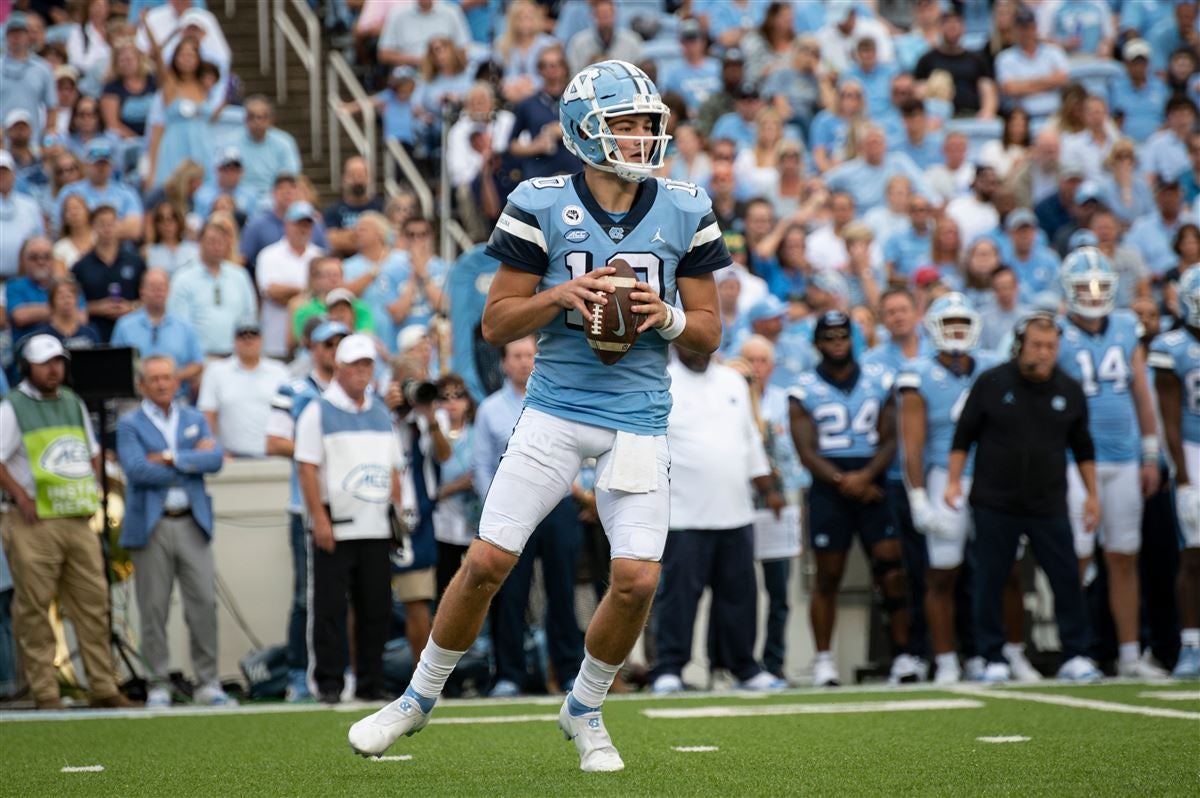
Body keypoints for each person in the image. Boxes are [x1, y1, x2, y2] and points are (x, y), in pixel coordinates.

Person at [347, 60, 726, 772]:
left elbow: (708, 335)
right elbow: (494, 325)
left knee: (638, 579)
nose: (644, 137)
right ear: (588, 131)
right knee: (488, 559)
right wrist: (562, 296)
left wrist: (667, 315)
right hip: (554, 406)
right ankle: (417, 699)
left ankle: (584, 708)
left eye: (649, 124)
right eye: (628, 125)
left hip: (638, 415)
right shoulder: (540, 200)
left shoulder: (684, 205)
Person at [946, 312, 1102, 683]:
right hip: (994, 500)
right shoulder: (992, 381)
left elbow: (1082, 447)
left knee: (1065, 578)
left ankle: (1076, 653)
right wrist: (953, 482)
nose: (1044, 352)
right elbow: (963, 436)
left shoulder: (1069, 389)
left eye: (1050, 346)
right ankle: (991, 654)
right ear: (1020, 345)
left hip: (1048, 501)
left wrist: (1092, 494)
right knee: (991, 579)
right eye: (1037, 344)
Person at [0, 335, 136, 709]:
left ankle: (103, 687)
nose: (53, 369)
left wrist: (93, 487)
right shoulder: (12, 407)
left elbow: (92, 451)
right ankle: (45, 692)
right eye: (45, 363)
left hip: (77, 519)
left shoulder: (73, 402)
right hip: (34, 522)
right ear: (27, 366)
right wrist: (21, 497)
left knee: (94, 604)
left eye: (58, 361)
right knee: (34, 607)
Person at [1055, 249, 1165, 678]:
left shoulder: (1125, 326)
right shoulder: (1058, 332)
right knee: (1077, 557)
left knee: (1124, 556)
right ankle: (1076, 651)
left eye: (1102, 286)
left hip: (1123, 456)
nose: (1096, 295)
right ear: (1069, 291)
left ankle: (1130, 654)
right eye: (1086, 288)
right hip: (1073, 459)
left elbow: (1141, 392)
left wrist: (1150, 453)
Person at [652, 344, 785, 694]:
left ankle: (744, 667)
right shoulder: (660, 380)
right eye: (689, 343)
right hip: (682, 516)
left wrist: (769, 488)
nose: (697, 351)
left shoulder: (733, 381)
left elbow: (750, 442)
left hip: (736, 511)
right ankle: (669, 667)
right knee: (679, 599)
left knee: (739, 597)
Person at [789, 311, 901, 687]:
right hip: (829, 487)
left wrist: (866, 477)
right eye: (829, 337)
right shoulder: (803, 387)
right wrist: (845, 481)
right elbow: (805, 451)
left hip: (874, 481)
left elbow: (891, 437)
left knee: (891, 570)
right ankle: (824, 661)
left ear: (852, 339)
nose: (836, 343)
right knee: (828, 576)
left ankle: (902, 656)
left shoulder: (879, 379)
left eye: (842, 336)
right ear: (817, 342)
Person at [116, 355, 231, 707]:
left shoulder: (194, 417)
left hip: (191, 521)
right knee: (152, 609)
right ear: (142, 385)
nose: (163, 384)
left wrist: (167, 458)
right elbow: (137, 470)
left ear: (176, 381)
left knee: (203, 605)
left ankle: (208, 681)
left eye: (167, 377)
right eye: (155, 379)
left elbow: (215, 460)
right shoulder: (129, 423)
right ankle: (158, 683)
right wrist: (188, 460)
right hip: (152, 525)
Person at [472, 335, 584, 697]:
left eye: (530, 355)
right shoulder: (489, 409)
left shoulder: (561, 401)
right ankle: (509, 675)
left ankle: (568, 671)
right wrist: (497, 509)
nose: (524, 361)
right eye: (516, 355)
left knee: (562, 591)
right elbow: (482, 468)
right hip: (511, 510)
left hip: (558, 507)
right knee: (510, 595)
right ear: (503, 363)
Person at [295, 334, 404, 704]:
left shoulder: (379, 412)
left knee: (376, 608)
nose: (362, 372)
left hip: (375, 526)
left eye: (367, 365)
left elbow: (394, 469)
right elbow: (307, 469)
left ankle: (370, 684)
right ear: (339, 368)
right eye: (356, 365)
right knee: (329, 608)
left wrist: (397, 517)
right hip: (336, 527)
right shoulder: (317, 410)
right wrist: (320, 520)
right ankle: (328, 684)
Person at [897, 294, 999, 684]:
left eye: (963, 323)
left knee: (1001, 571)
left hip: (990, 477)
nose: (957, 332)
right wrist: (919, 497)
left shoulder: (991, 366)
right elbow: (913, 445)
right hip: (945, 476)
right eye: (949, 323)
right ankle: (946, 659)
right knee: (942, 572)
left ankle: (996, 654)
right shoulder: (917, 372)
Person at [265, 319, 349, 702]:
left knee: (343, 595)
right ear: (313, 349)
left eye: (339, 342)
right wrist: (314, 448)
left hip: (351, 505)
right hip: (306, 504)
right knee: (306, 595)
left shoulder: (357, 391)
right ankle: (299, 672)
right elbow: (273, 440)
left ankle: (341, 670)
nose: (333, 349)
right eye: (326, 343)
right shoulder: (295, 389)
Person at [1150, 268, 1200, 679]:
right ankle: (1190, 643)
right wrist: (1183, 478)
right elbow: (1168, 418)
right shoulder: (1172, 346)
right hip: (1191, 448)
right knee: (1193, 553)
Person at [197, 321, 289, 458]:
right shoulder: (216, 371)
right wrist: (216, 450)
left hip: (273, 456)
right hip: (231, 458)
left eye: (253, 335)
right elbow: (208, 415)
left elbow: (289, 414)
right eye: (242, 336)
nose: (248, 340)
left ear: (262, 339)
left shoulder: (280, 372)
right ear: (234, 340)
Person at [167, 221, 258, 358]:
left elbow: (249, 316)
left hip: (235, 357)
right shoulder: (183, 278)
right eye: (212, 241)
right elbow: (180, 325)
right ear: (200, 242)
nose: (217, 246)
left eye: (222, 241)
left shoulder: (239, 276)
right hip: (200, 358)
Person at [111, 268, 204, 389]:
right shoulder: (124, 326)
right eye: (152, 287)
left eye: (162, 287)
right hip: (136, 397)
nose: (157, 292)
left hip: (176, 398)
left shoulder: (185, 327)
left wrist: (170, 378)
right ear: (141, 291)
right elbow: (115, 364)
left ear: (169, 291)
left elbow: (197, 364)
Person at [256, 202, 325, 360]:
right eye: (298, 224)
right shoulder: (269, 255)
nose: (303, 229)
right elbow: (272, 291)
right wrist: (305, 293)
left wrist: (289, 294)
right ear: (286, 225)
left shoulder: (319, 256)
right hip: (274, 340)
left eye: (307, 225)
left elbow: (324, 295)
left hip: (308, 346)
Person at [70, 203, 145, 342]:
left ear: (118, 225)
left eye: (111, 223)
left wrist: (131, 307)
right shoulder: (81, 266)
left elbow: (146, 299)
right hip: (95, 334)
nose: (107, 229)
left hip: (131, 334)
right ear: (93, 227)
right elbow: (73, 305)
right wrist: (97, 307)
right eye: (102, 224)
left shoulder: (136, 262)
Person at [912, 6, 997, 119]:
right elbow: (918, 92)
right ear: (939, 27)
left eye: (957, 23)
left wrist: (986, 113)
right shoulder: (927, 60)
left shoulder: (977, 59)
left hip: (971, 116)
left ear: (963, 27)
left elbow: (988, 91)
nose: (952, 27)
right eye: (947, 23)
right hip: (938, 118)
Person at [994, 6, 1069, 125]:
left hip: (1055, 115)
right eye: (1021, 28)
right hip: (1023, 120)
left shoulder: (1053, 52)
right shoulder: (1005, 58)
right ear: (1014, 30)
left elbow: (1062, 79)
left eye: (1029, 27)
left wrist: (1025, 84)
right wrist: (1048, 81)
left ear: (1035, 27)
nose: (1026, 32)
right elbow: (1010, 88)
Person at [229, 96, 303, 208]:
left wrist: (274, 195)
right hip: (239, 197)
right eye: (251, 117)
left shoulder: (285, 142)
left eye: (261, 117)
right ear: (245, 119)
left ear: (271, 120)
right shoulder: (231, 142)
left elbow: (290, 175)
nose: (256, 121)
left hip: (275, 197)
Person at [0, 13, 57, 140]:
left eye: (20, 33)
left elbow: (52, 107)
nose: (16, 38)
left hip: (32, 142)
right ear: (6, 36)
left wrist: (47, 135)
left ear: (27, 36)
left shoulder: (43, 68)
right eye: (12, 33)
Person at [323, 157, 384, 257]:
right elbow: (331, 241)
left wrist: (347, 235)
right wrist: (370, 238)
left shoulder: (381, 207)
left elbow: (386, 240)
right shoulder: (332, 210)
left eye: (361, 175)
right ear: (344, 178)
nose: (357, 180)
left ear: (369, 178)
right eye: (352, 175)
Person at [979, 266, 1029, 353]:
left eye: (1009, 287)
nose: (1005, 292)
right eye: (1000, 287)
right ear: (994, 290)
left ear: (1017, 287)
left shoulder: (1028, 317)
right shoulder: (982, 318)